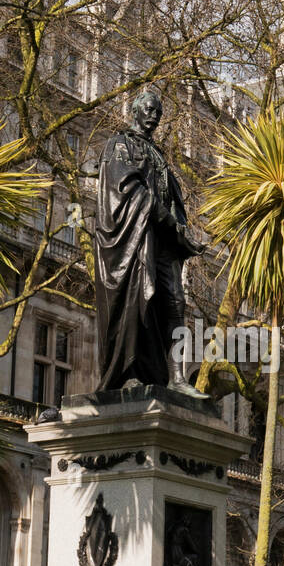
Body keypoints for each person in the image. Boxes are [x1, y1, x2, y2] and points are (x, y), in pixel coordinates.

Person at [94, 87, 207, 395]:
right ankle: (127, 371)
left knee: (175, 303)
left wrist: (182, 232)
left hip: (162, 242)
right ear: (135, 110)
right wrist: (168, 219)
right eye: (149, 109)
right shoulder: (119, 145)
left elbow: (171, 199)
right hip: (132, 240)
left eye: (158, 112)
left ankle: (177, 379)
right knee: (136, 300)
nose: (155, 116)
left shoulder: (158, 155)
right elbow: (127, 189)